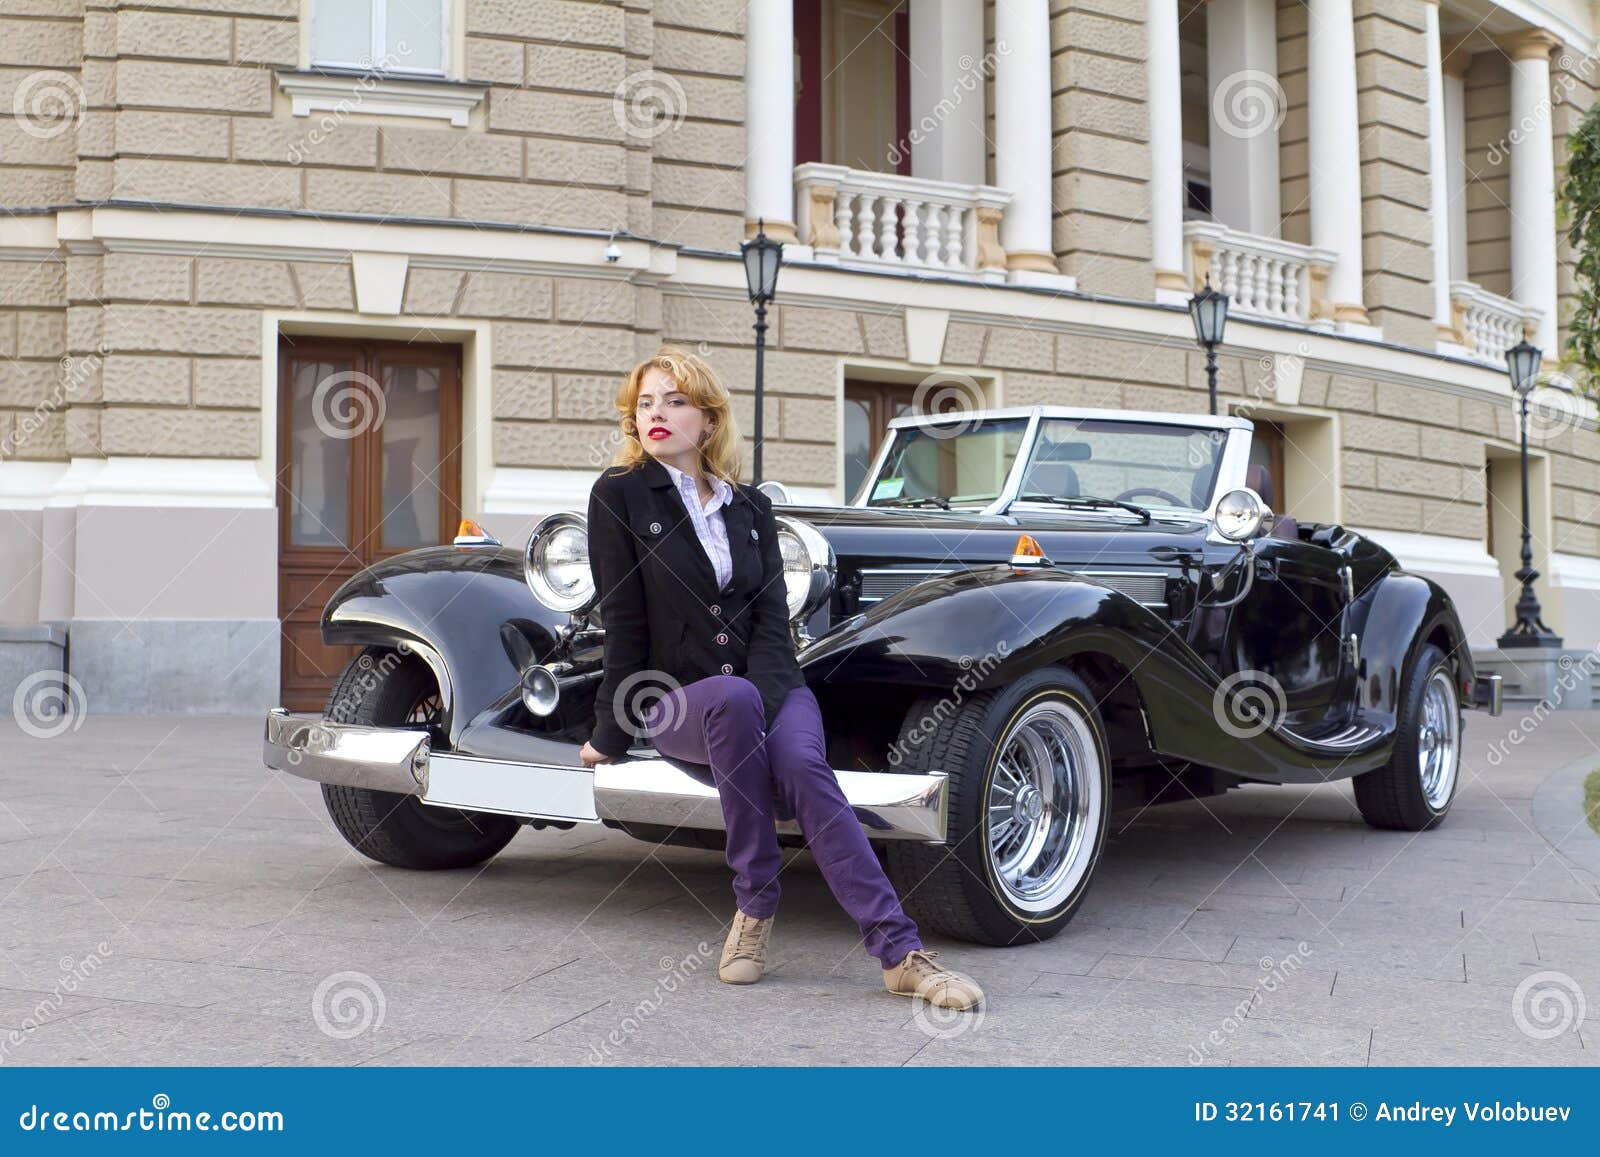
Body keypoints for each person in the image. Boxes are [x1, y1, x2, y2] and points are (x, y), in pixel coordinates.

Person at [578, 345, 983, 1011]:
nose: (656, 413)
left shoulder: (751, 508)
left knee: (801, 765)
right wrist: (608, 734)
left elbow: (773, 620)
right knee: (732, 700)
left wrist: (770, 709)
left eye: (675, 400)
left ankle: (900, 953)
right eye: (645, 403)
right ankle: (757, 897)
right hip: (669, 698)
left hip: (767, 684)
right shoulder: (617, 495)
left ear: (709, 419)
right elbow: (624, 622)